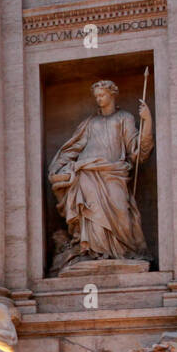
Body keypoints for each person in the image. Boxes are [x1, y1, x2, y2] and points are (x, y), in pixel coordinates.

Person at [48, 79, 153, 263]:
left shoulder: (124, 118)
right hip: (87, 173)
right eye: (96, 96)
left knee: (122, 213)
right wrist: (56, 167)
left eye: (102, 95)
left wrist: (147, 121)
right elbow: (73, 148)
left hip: (114, 173)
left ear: (112, 95)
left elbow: (137, 151)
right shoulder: (90, 123)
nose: (99, 99)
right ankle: (94, 253)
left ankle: (123, 252)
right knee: (92, 213)